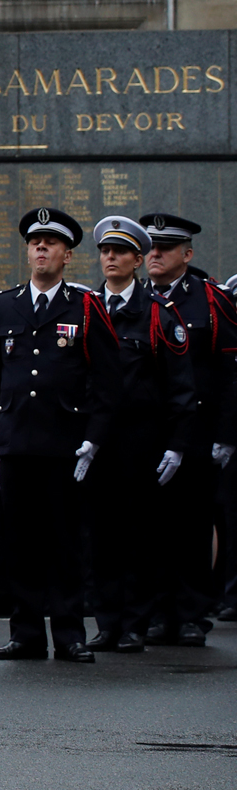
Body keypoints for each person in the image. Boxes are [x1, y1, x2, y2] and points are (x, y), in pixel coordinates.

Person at [0, 206, 121, 663]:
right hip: (16, 441)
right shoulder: (4, 304)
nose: (41, 248)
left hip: (65, 443)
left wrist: (94, 438)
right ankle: (25, 634)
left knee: (64, 542)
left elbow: (106, 380)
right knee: (20, 542)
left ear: (67, 255)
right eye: (34, 242)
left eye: (51, 242)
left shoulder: (85, 306)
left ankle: (69, 633)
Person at [84, 216, 193, 654]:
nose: (110, 258)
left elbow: (180, 385)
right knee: (101, 534)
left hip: (140, 438)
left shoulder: (157, 313)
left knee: (138, 536)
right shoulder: (86, 308)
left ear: (136, 260)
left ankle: (134, 623)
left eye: (120, 252)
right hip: (95, 440)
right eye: (105, 251)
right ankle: (107, 622)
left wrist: (177, 444)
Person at [139, 212, 237, 645]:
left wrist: (226, 434)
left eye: (165, 248)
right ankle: (156, 612)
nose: (155, 254)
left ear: (187, 254)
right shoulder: (132, 298)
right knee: (150, 526)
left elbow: (229, 372)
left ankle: (192, 613)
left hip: (197, 432)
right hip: (147, 432)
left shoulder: (211, 300)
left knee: (194, 524)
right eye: (150, 248)